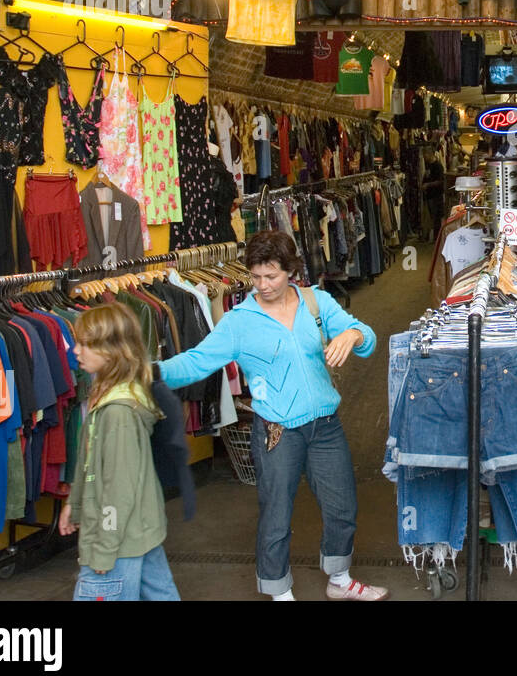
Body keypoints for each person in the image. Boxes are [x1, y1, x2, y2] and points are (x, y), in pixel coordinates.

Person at [156, 230, 388, 602]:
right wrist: (149, 371)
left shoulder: (316, 302)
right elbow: (196, 362)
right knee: (276, 516)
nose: (263, 285)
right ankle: (280, 592)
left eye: (272, 276)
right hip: (277, 432)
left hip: (325, 426)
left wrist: (352, 336)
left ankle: (339, 579)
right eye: (257, 276)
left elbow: (368, 337)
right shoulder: (239, 321)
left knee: (342, 506)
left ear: (291, 271)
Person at [59, 303, 180, 601]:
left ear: (112, 350)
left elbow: (118, 490)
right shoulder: (110, 395)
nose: (76, 350)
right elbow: (91, 465)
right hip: (140, 530)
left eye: (86, 344)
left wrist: (103, 549)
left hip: (118, 539)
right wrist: (75, 503)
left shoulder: (118, 414)